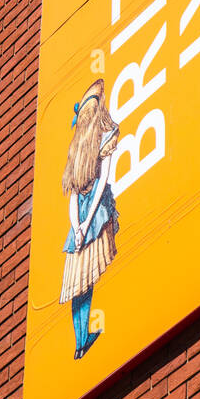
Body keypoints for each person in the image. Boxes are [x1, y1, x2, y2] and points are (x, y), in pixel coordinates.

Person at [59, 79, 119, 359]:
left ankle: (80, 342)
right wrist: (85, 225)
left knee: (79, 285)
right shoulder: (103, 137)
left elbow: (74, 196)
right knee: (89, 277)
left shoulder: (79, 146)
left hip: (83, 218)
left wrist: (78, 226)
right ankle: (83, 340)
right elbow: (102, 181)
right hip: (94, 213)